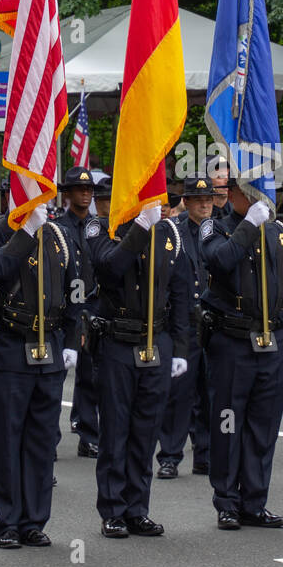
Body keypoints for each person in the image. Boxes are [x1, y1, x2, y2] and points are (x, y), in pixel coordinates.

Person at [0, 200, 82, 548]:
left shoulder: (60, 235)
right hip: (7, 348)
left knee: (42, 442)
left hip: (48, 349)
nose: (41, 202)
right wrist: (27, 230)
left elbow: (76, 290)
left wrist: (72, 340)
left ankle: (34, 521)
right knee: (7, 442)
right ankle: (7, 521)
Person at [200, 178, 283, 528]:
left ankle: (255, 502)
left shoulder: (278, 232)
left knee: (263, 426)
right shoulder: (216, 227)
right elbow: (220, 262)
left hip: (271, 342)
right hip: (233, 341)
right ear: (232, 194)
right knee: (229, 424)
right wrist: (248, 226)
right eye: (249, 190)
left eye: (261, 190)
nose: (259, 197)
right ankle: (227, 502)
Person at [85, 199, 191, 538]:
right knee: (116, 429)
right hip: (118, 340)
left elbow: (181, 292)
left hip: (156, 341)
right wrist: (142, 227)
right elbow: (111, 268)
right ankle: (113, 509)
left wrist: (179, 347)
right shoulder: (102, 228)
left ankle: (137, 508)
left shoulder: (170, 232)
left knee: (146, 429)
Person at [156, 176, 215, 479]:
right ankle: (170, 454)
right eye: (198, 200)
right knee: (178, 394)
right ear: (187, 202)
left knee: (209, 392)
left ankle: (204, 453)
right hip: (185, 323)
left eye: (208, 200)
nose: (205, 204)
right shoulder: (173, 232)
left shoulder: (220, 230)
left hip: (215, 324)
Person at [54, 167, 101, 458]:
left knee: (91, 375)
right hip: (65, 310)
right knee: (56, 375)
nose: (85, 193)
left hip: (93, 306)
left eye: (88, 189)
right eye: (79, 189)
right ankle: (50, 438)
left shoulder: (100, 226)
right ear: (67, 194)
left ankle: (88, 434)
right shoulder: (57, 227)